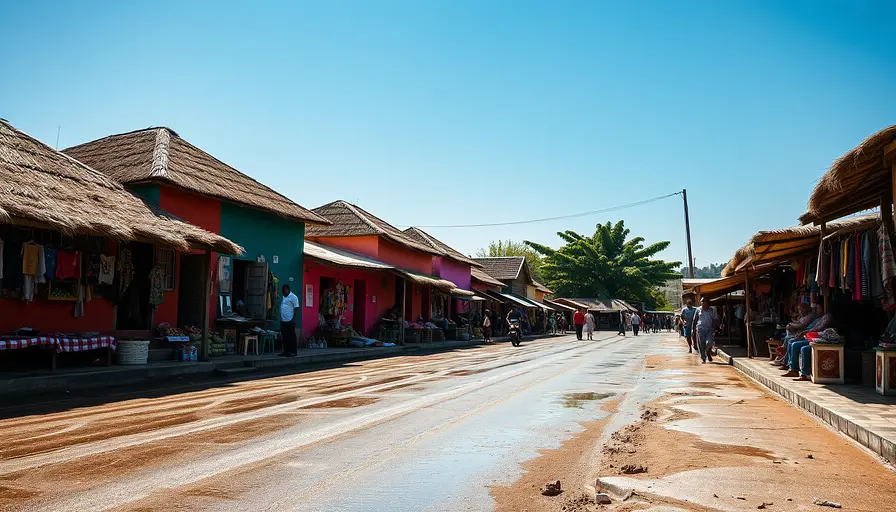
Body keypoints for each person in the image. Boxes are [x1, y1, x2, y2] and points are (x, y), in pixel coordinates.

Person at [782, 302, 835, 378]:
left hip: (819, 339)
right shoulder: (819, 318)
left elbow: (818, 329)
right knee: (792, 342)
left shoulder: (827, 317)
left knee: (796, 345)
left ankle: (802, 372)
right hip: (811, 337)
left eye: (818, 308)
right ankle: (792, 368)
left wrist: (805, 332)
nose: (816, 310)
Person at [692, 296, 719, 363]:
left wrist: (713, 328)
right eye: (702, 302)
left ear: (707, 303)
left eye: (704, 302)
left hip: (709, 329)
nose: (702, 303)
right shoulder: (698, 310)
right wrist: (693, 330)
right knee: (701, 344)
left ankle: (708, 352)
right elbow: (695, 320)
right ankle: (703, 357)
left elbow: (715, 320)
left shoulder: (711, 310)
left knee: (709, 342)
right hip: (700, 329)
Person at [279, 284, 300, 357]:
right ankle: (286, 351)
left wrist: (293, 318)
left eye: (284, 290)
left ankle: (293, 352)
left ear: (288, 290)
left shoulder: (293, 297)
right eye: (282, 291)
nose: (283, 292)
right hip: (283, 320)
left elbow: (296, 308)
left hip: (290, 320)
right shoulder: (284, 297)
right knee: (284, 336)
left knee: (291, 336)